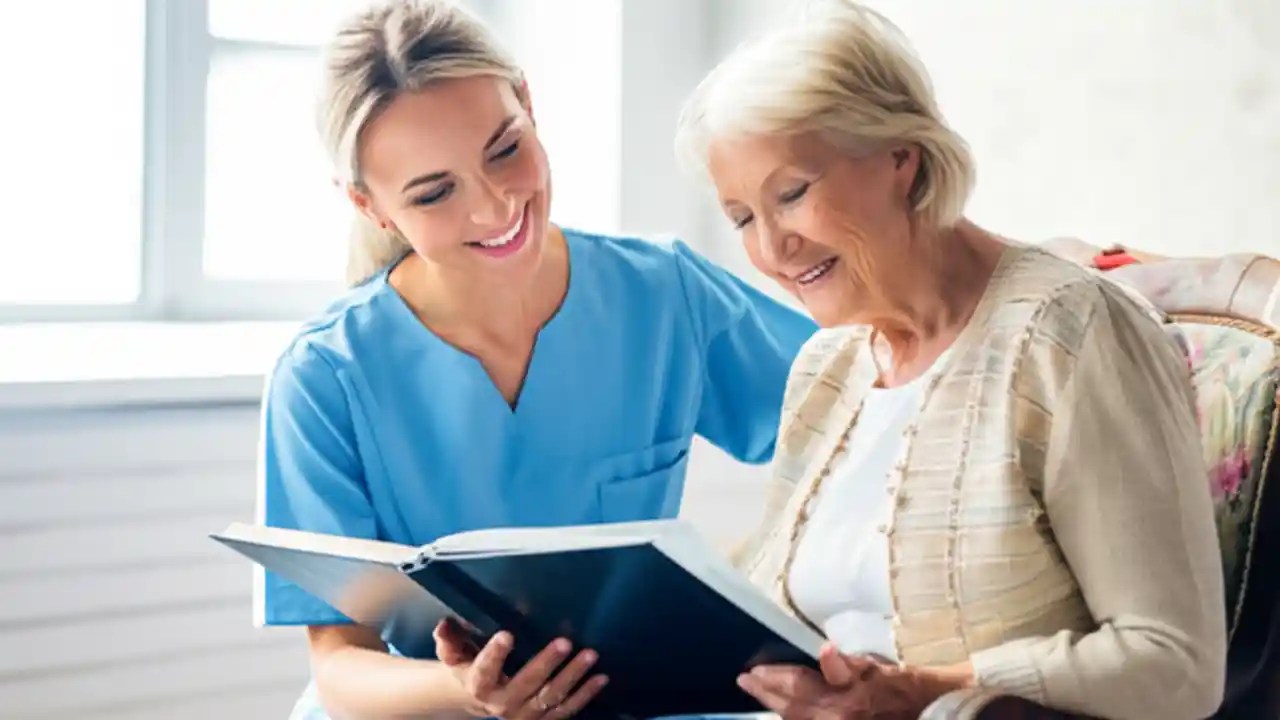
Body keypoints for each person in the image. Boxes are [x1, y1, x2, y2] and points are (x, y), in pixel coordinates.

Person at [256, 1, 816, 718]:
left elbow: (863, 407)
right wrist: (468, 691)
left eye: (505, 150)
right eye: (434, 193)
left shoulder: (665, 293)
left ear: (527, 101)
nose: (495, 208)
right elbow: (340, 668)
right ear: (372, 207)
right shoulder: (323, 376)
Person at [674, 1, 1227, 719]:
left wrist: (929, 689)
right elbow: (770, 603)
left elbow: (1176, 665)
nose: (773, 250)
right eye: (744, 217)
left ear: (901, 158)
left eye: (793, 194)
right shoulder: (828, 367)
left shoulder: (1071, 333)